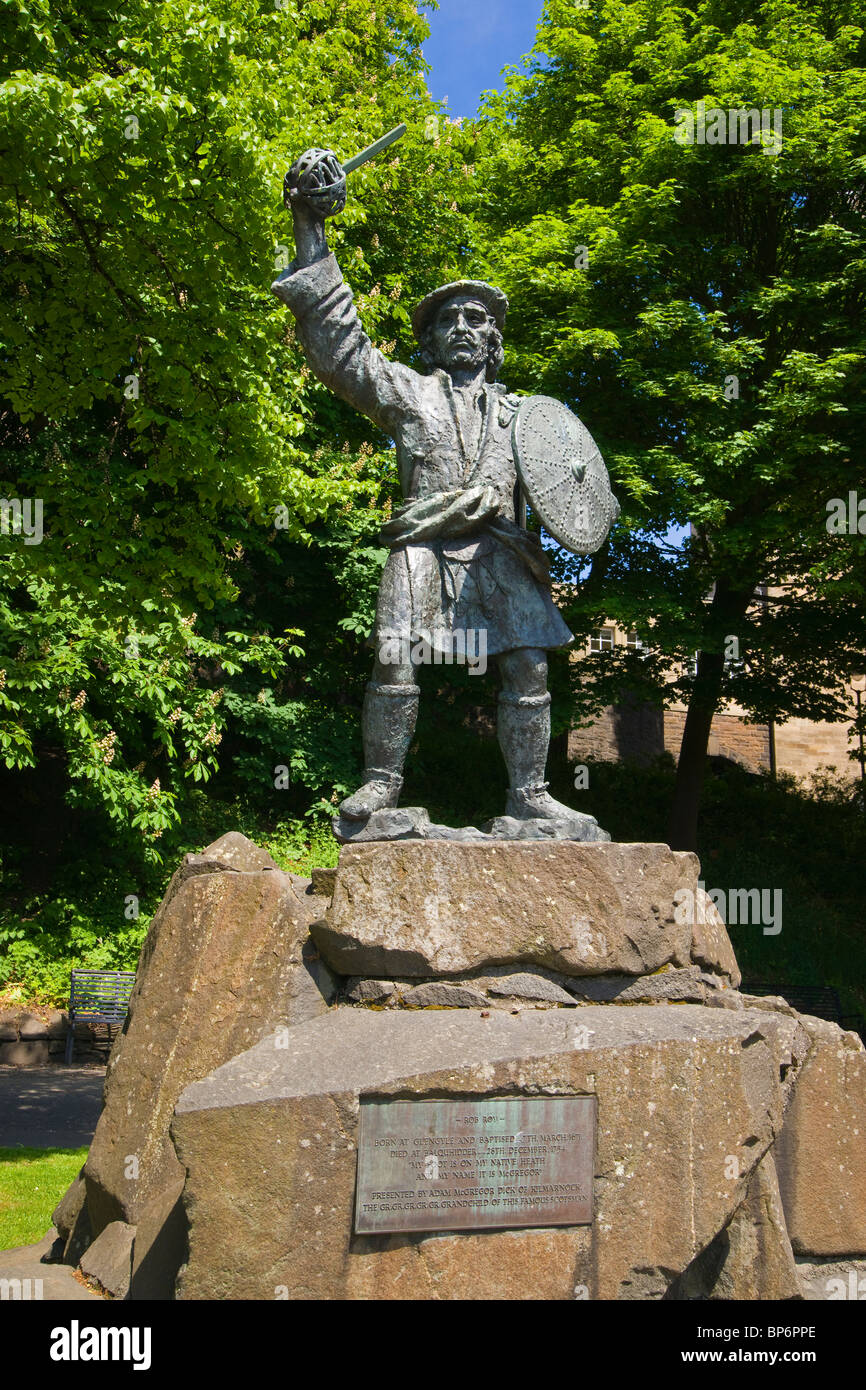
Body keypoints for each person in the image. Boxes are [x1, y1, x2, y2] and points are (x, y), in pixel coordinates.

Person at [272, 165, 592, 831]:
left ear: (494, 339)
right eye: (449, 319)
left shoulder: (526, 416)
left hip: (499, 551)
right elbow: (340, 354)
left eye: (477, 319)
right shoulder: (409, 394)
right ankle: (380, 785)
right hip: (421, 543)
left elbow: (573, 486)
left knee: (529, 665)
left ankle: (529, 794)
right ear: (429, 339)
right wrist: (311, 224)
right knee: (393, 650)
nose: (464, 327)